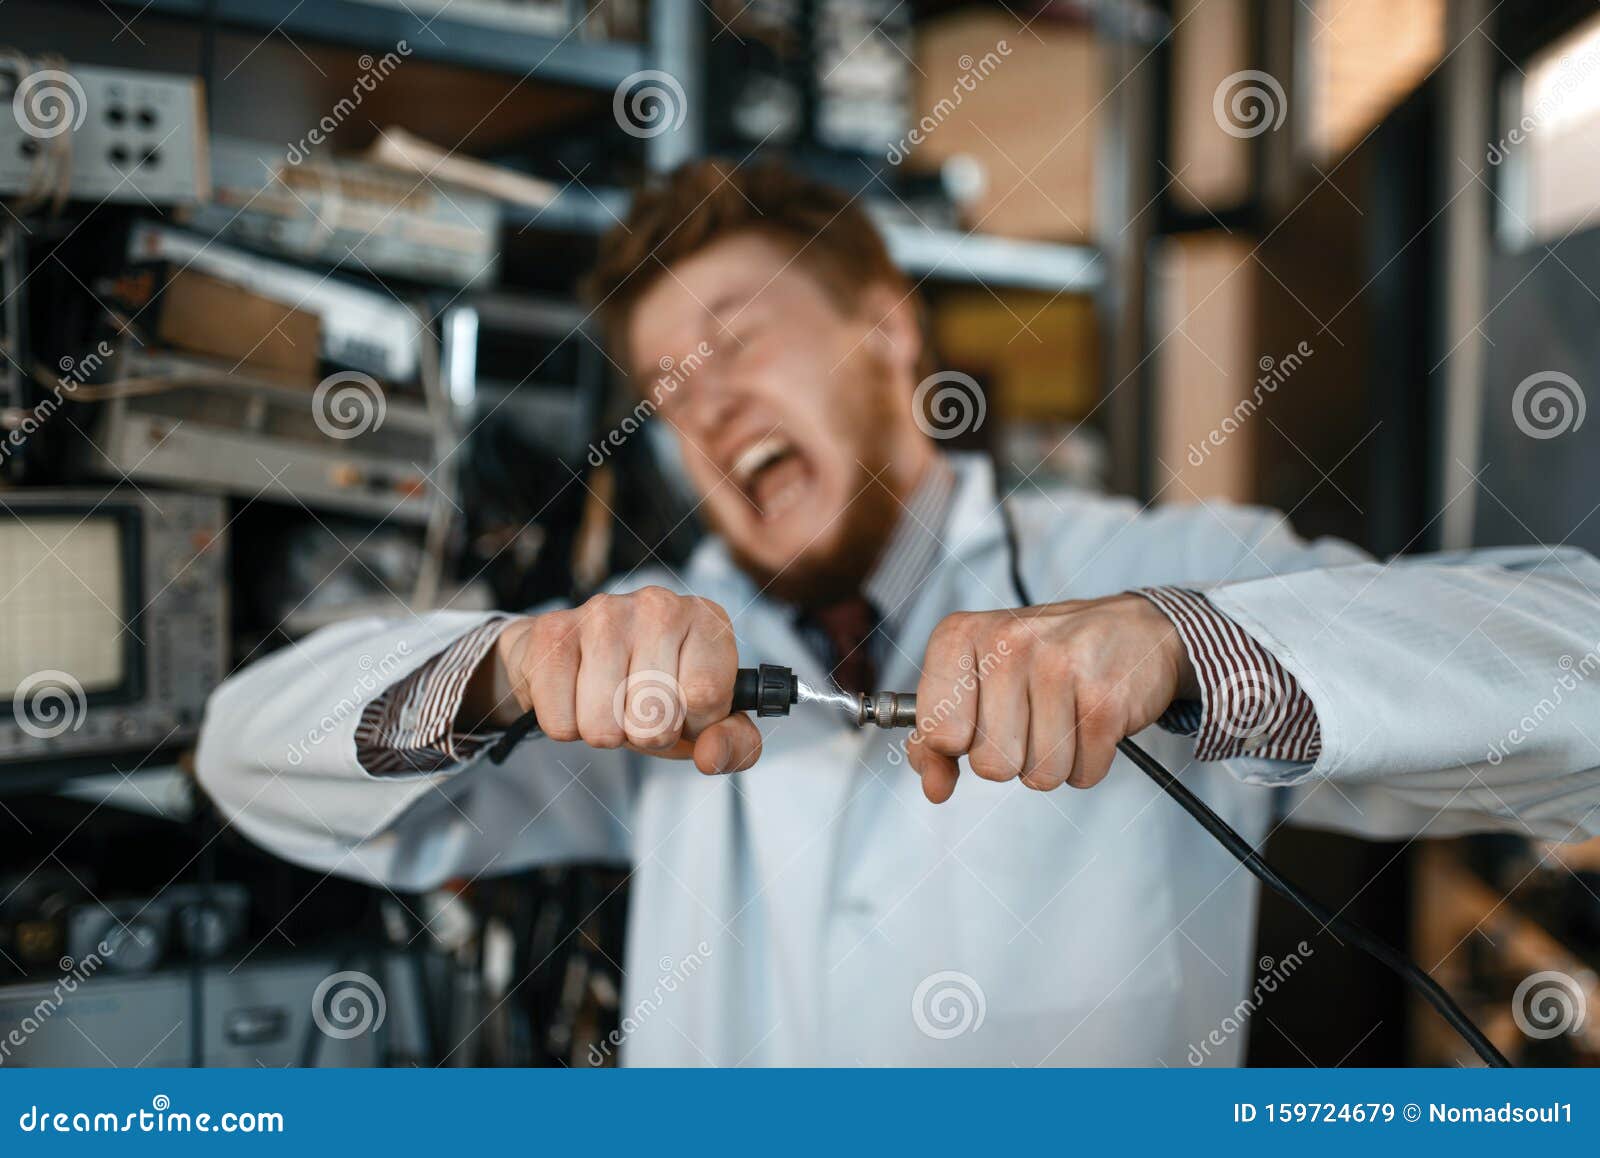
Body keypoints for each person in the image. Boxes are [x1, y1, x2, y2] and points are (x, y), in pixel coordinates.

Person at [199, 159, 1600, 1066]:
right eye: (670, 389)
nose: (710, 404)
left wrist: (1183, 650)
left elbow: (1574, 681)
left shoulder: (1164, 570)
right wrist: (504, 667)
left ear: (887, 330)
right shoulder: (640, 657)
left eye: (735, 337)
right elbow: (243, 750)